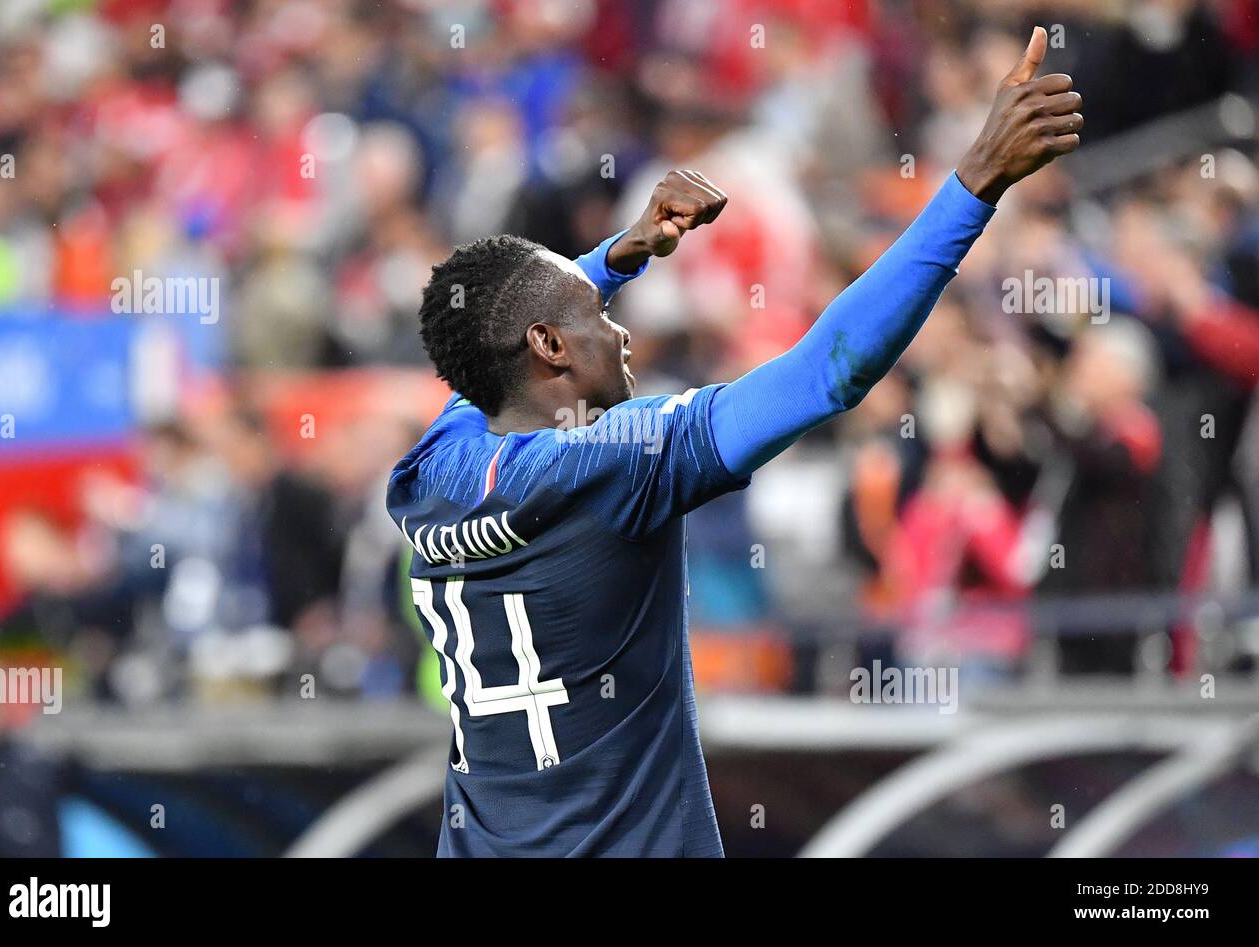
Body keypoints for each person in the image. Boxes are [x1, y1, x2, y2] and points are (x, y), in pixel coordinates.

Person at [388, 28, 1083, 857]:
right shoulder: (617, 462)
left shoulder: (429, 471)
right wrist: (973, 185)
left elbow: (485, 359)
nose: (621, 334)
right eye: (598, 317)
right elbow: (830, 372)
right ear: (548, 346)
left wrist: (612, 258)